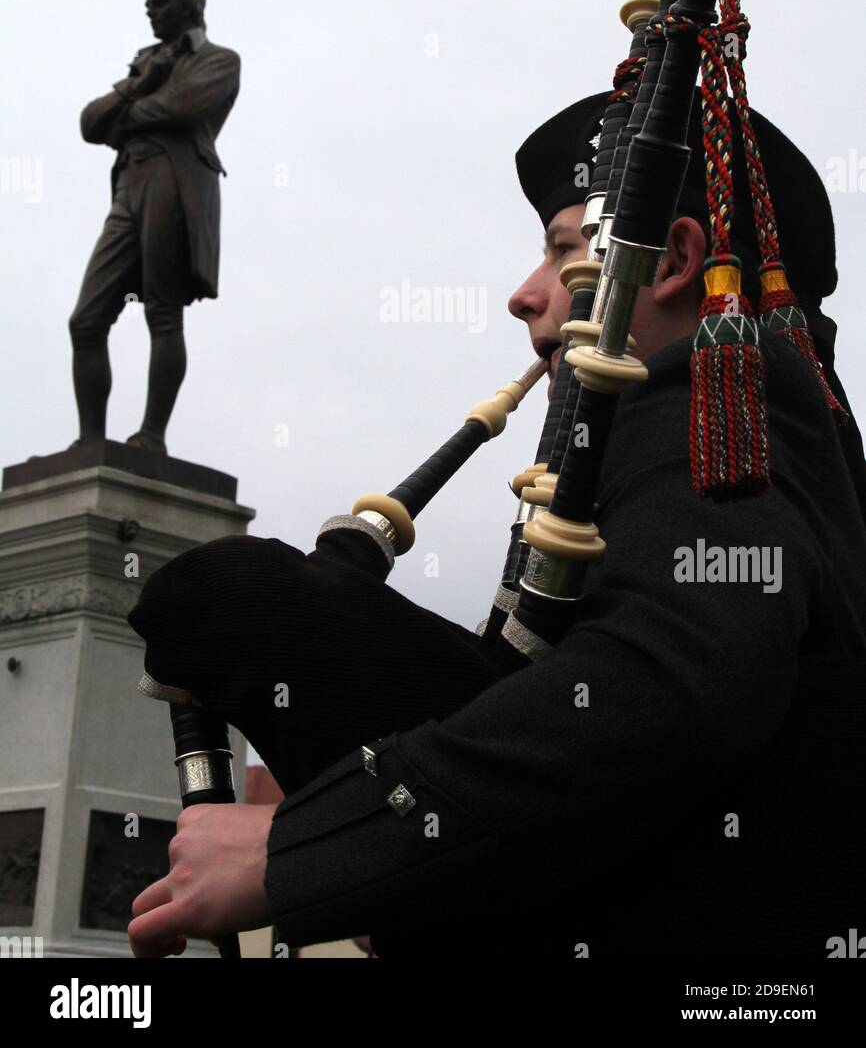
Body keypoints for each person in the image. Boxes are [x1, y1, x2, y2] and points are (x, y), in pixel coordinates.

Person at [126, 91, 866, 959]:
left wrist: (311, 846)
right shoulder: (783, 436)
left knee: (238, 594)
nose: (524, 296)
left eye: (560, 251)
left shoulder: (713, 410)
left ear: (670, 260)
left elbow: (674, 688)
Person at [68, 0, 240, 455]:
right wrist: (134, 88)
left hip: (174, 181)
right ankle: (90, 440)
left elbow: (181, 109)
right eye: (148, 2)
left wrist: (128, 112)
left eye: (160, 2)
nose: (150, 10)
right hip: (130, 185)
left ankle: (152, 436)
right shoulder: (147, 63)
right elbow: (89, 123)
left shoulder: (219, 60)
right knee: (85, 320)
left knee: (163, 313)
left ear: (189, 5)